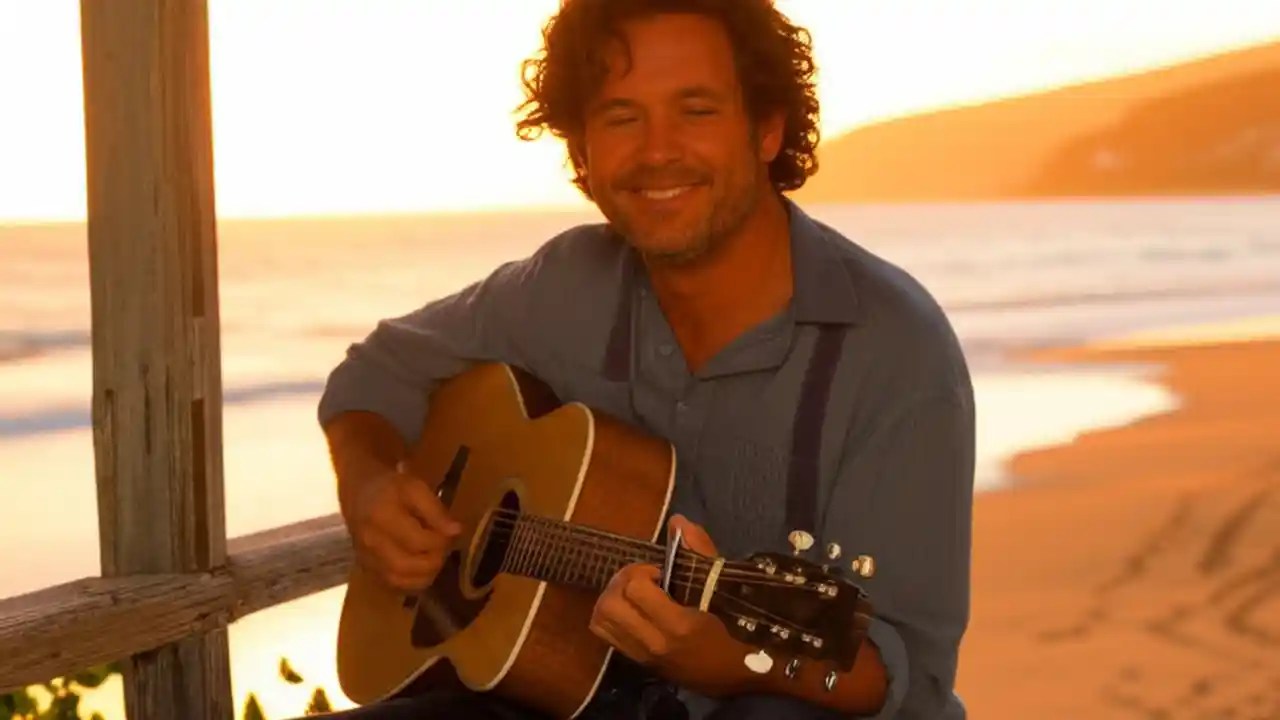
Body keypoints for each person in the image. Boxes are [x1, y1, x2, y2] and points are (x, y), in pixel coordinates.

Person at [309, 0, 974, 718]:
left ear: (767, 129)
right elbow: (375, 375)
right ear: (583, 150)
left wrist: (727, 661)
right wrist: (370, 482)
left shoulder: (895, 351)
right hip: (562, 692)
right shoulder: (563, 286)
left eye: (696, 111)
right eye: (622, 116)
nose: (657, 151)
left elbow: (908, 671)